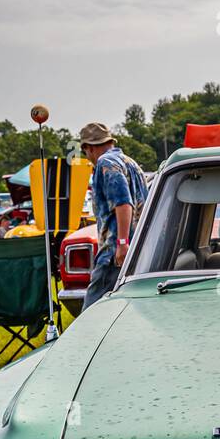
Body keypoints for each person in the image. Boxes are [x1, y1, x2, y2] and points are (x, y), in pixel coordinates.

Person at [78, 122, 148, 310]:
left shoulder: (105, 163)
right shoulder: (131, 163)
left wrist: (122, 243)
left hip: (113, 254)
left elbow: (123, 203)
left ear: (89, 148)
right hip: (140, 250)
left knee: (90, 313)